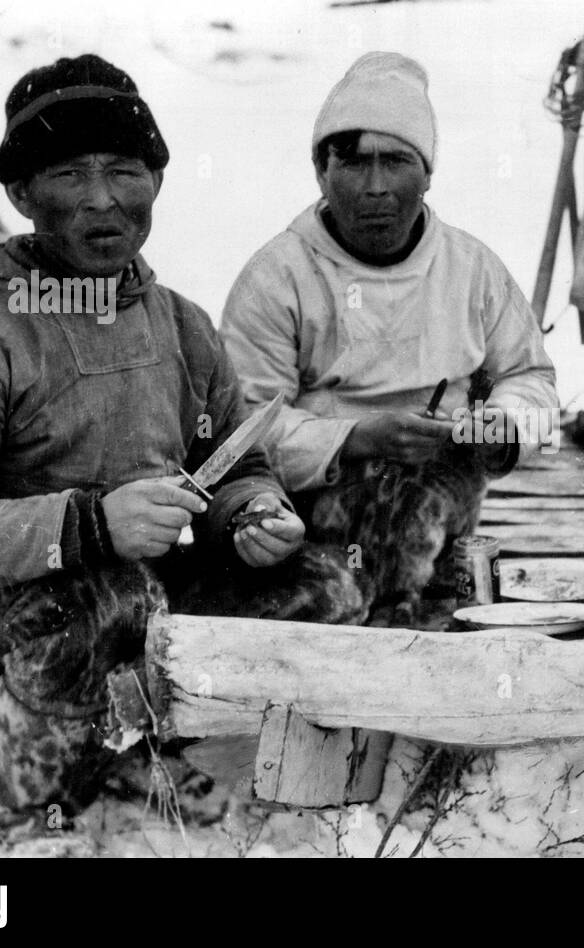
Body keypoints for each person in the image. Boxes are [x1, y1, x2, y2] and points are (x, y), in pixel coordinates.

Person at [0, 54, 362, 853]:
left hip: (141, 604)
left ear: (157, 182)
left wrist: (253, 513)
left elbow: (235, 462)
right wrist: (88, 527)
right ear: (22, 194)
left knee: (322, 587)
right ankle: (35, 813)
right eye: (69, 173)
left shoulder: (180, 324)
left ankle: (147, 752)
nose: (104, 198)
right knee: (105, 597)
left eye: (125, 169)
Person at [221, 51, 557, 624]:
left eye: (396, 162)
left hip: (442, 502)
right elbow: (244, 425)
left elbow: (531, 379)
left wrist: (504, 424)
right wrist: (357, 437)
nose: (375, 188)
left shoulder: (471, 270)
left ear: (428, 173)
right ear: (321, 172)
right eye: (352, 163)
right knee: (327, 603)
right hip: (314, 511)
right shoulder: (278, 277)